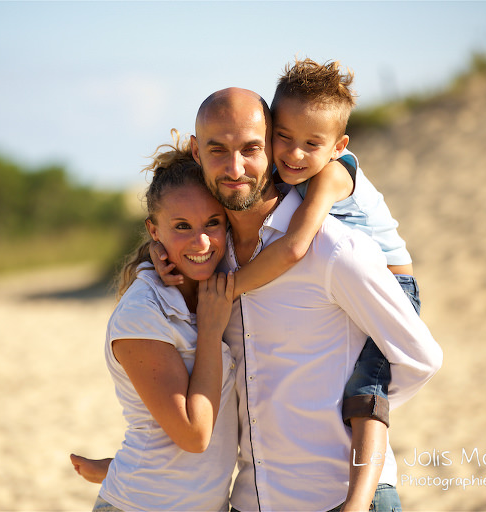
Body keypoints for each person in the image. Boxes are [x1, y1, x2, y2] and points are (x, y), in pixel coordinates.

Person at [154, 59, 421, 510]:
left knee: (367, 390)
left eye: (249, 148)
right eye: (218, 150)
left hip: (342, 498)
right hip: (252, 499)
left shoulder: (333, 248)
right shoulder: (209, 260)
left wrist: (349, 409)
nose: (235, 166)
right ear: (197, 153)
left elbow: (420, 357)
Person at [69, 135, 238, 512]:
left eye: (213, 222)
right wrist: (210, 333)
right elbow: (193, 436)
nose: (201, 241)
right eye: (181, 226)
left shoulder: (220, 283)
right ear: (154, 231)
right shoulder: (141, 313)